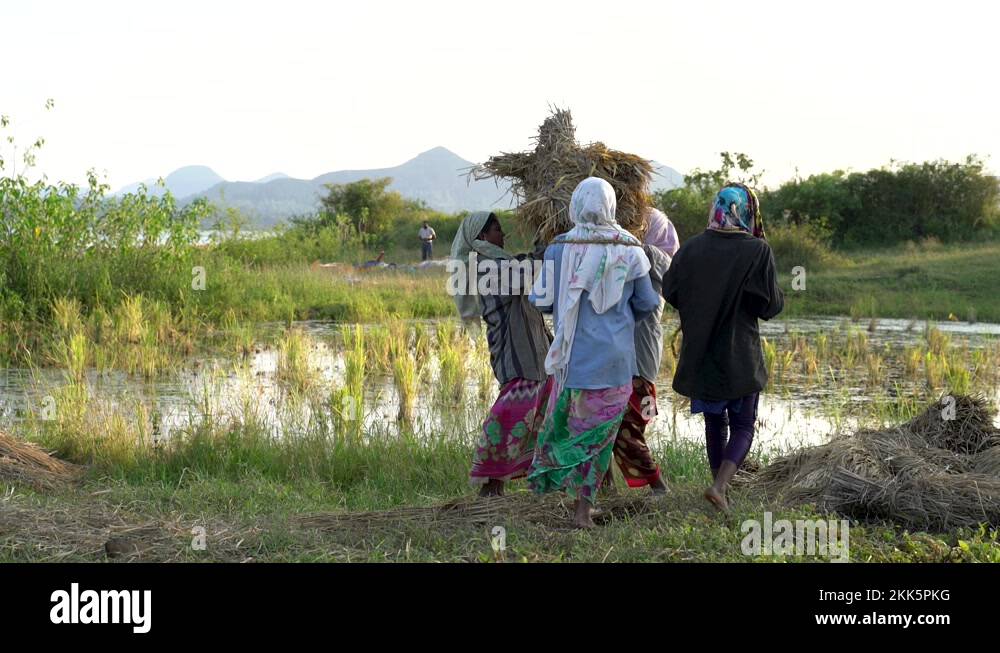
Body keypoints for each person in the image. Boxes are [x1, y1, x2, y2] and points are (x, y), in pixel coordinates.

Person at [527, 177, 660, 528]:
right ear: (611, 205)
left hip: (572, 361)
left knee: (576, 429)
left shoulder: (559, 248)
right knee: (599, 436)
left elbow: (540, 300)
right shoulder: (630, 248)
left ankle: (579, 503)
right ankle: (583, 510)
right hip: (614, 362)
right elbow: (647, 303)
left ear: (575, 204)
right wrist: (620, 314)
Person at [663, 183, 784, 512]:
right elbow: (770, 306)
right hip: (740, 356)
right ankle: (720, 486)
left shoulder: (690, 249)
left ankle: (720, 490)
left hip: (701, 353)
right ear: (746, 211)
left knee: (715, 423)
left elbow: (670, 291)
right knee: (743, 425)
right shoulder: (757, 251)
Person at [451, 212, 553, 496]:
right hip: (516, 352)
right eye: (496, 230)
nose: (502, 235)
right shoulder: (485, 268)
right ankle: (491, 482)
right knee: (511, 412)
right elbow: (528, 270)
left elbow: (525, 266)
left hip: (533, 352)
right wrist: (547, 245)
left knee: (544, 413)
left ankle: (541, 480)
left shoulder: (499, 263)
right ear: (481, 237)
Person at [607, 207, 679, 495]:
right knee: (611, 424)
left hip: (637, 357)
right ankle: (606, 486)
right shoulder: (656, 258)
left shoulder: (650, 255)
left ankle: (658, 486)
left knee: (627, 428)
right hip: (634, 355)